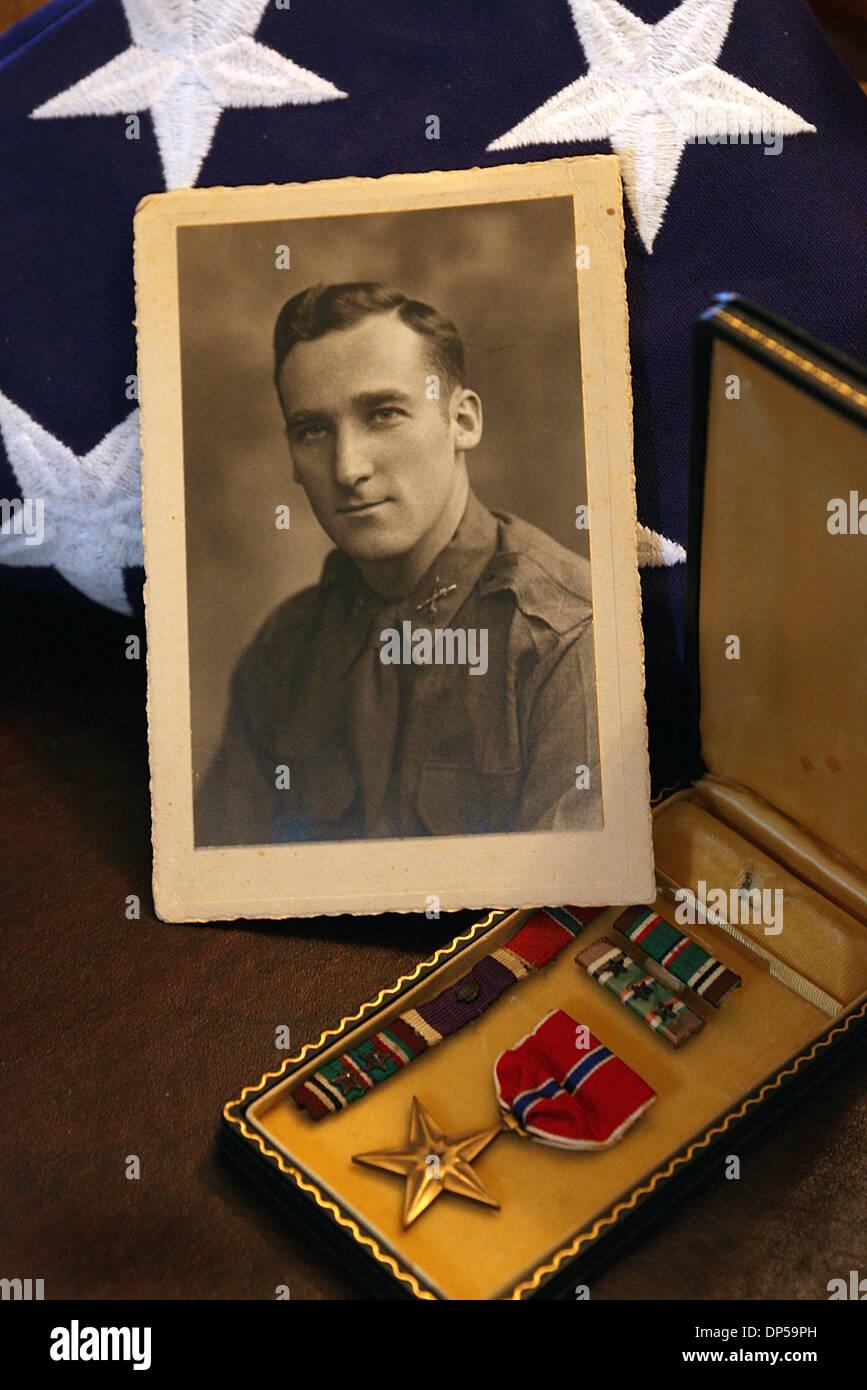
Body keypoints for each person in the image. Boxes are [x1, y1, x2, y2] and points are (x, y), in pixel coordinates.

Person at [195, 281, 601, 845]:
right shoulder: (283, 650)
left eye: (383, 414)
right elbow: (227, 881)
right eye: (312, 430)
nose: (346, 468)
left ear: (462, 423)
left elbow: (563, 914)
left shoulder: (567, 640)